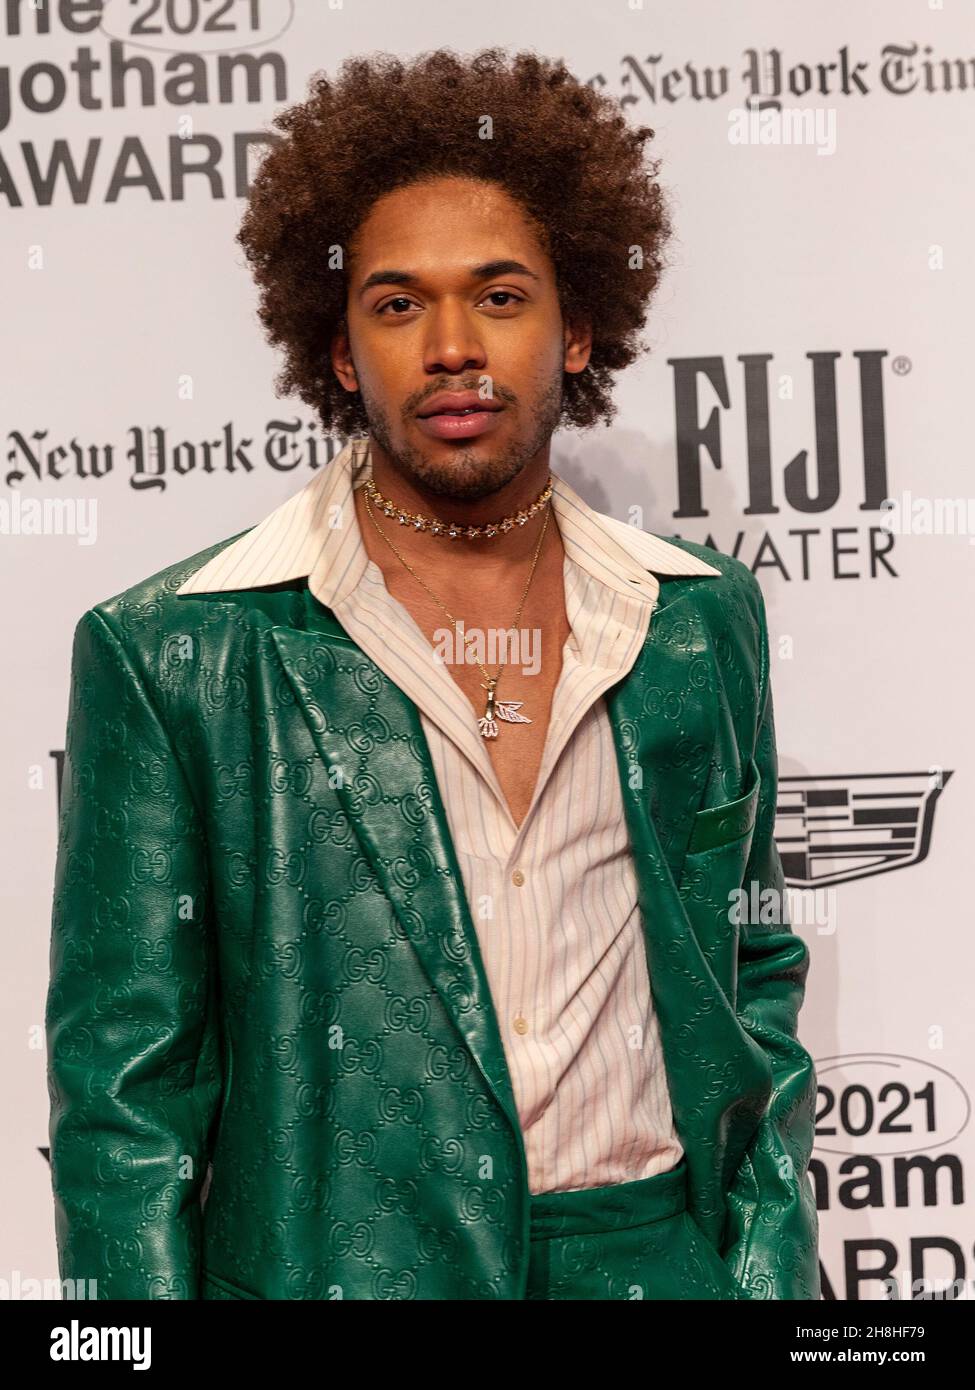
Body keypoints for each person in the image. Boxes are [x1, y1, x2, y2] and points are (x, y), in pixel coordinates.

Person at [46, 47, 819, 1301]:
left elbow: (754, 968)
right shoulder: (176, 651)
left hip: (658, 1264)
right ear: (340, 353)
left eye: (501, 297)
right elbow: (122, 1103)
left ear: (579, 331)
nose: (453, 347)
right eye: (397, 305)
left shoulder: (696, 619)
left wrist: (769, 1258)